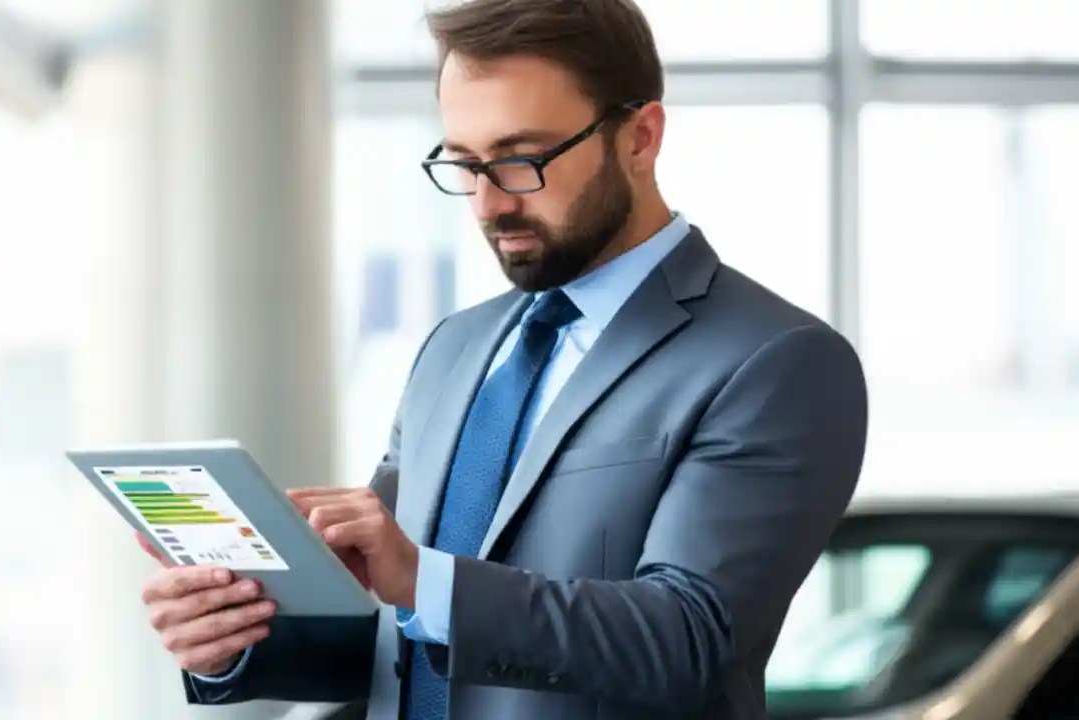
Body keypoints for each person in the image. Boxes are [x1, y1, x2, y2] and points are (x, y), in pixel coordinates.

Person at [136, 0, 868, 718]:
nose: (487, 204)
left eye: (521, 160)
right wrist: (235, 641)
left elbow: (690, 642)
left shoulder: (776, 361)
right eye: (463, 163)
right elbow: (401, 638)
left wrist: (424, 580)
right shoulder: (453, 349)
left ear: (640, 138)